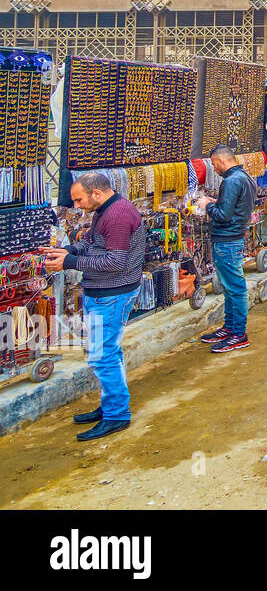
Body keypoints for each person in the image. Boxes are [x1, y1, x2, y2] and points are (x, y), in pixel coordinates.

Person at [40, 171, 146, 440]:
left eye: (79, 200)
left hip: (111, 294)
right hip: (104, 293)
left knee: (103, 356)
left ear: (96, 193)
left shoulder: (117, 215)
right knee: (108, 353)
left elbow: (114, 262)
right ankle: (112, 405)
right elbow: (92, 243)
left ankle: (117, 415)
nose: (77, 206)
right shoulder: (105, 209)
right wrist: (70, 251)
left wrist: (69, 263)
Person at [196, 145, 258, 353]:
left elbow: (223, 215)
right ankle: (230, 328)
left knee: (235, 288)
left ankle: (239, 334)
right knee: (229, 287)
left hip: (227, 240)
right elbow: (235, 207)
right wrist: (216, 201)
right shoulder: (244, 177)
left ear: (222, 161)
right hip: (232, 238)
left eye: (214, 164)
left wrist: (207, 205)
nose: (214, 169)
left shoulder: (231, 181)